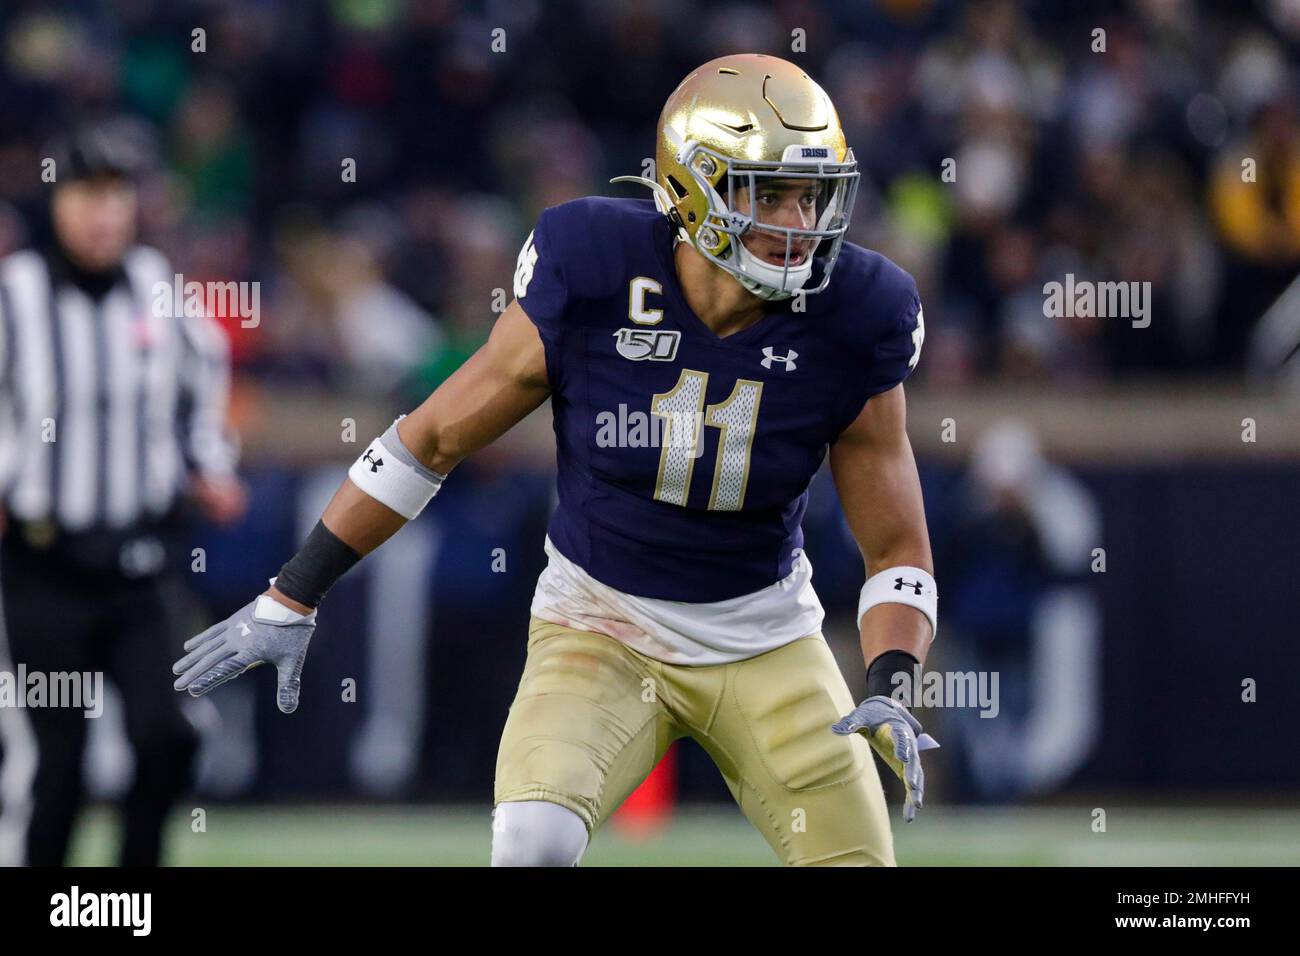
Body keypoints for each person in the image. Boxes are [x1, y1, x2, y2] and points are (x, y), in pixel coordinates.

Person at [172, 54, 938, 867]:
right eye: (768, 193)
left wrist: (890, 681)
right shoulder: (595, 263)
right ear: (692, 188)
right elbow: (430, 438)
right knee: (532, 844)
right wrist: (295, 594)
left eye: (810, 195)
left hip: (765, 638)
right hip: (598, 625)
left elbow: (895, 544)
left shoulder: (860, 309)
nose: (798, 221)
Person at [0, 122, 246, 866]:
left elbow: (200, 397)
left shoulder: (162, 292)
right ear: (59, 203)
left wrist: (211, 466)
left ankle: (131, 891)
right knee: (59, 767)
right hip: (44, 568)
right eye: (85, 194)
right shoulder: (14, 298)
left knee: (170, 733)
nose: (101, 213)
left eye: (115, 195)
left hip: (143, 564)